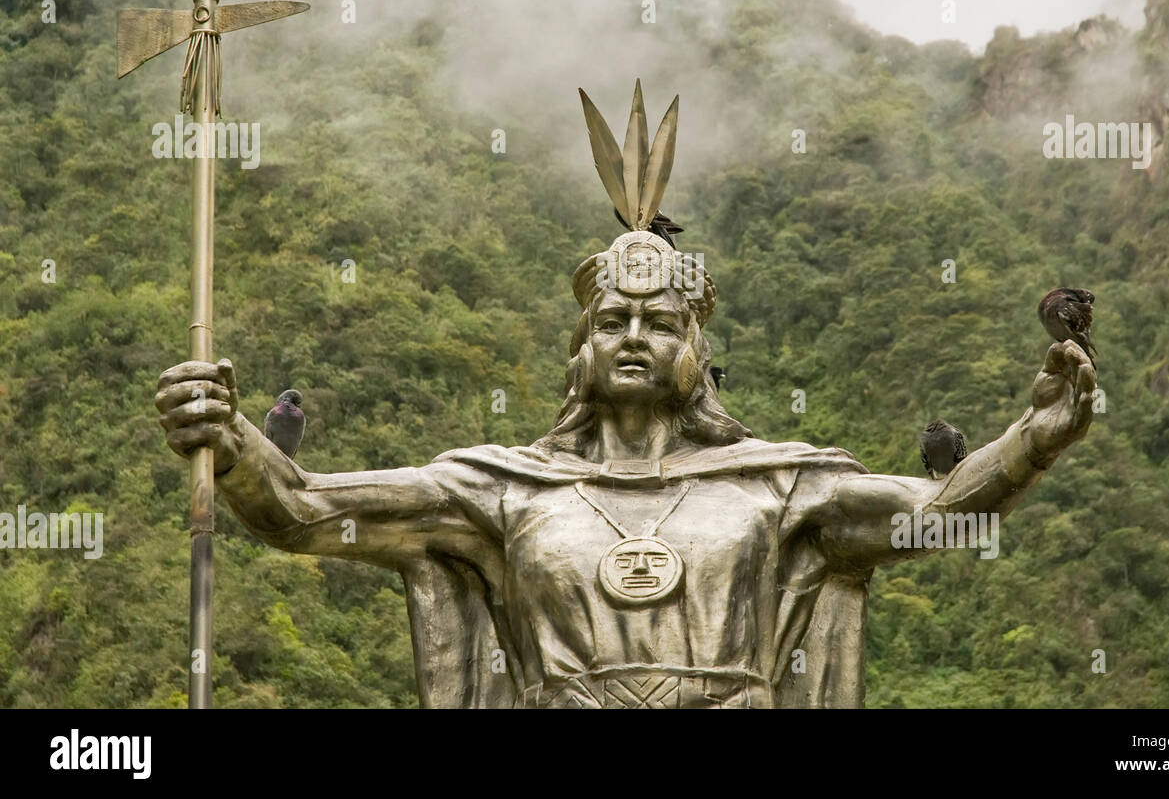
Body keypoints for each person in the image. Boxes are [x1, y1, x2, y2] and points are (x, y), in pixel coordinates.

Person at [154, 89, 1095, 708]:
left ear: (697, 350)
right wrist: (228, 436)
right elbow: (305, 511)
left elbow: (943, 515)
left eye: (661, 321)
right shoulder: (501, 491)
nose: (635, 336)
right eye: (612, 322)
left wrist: (1036, 440)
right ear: (581, 350)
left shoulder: (779, 488)